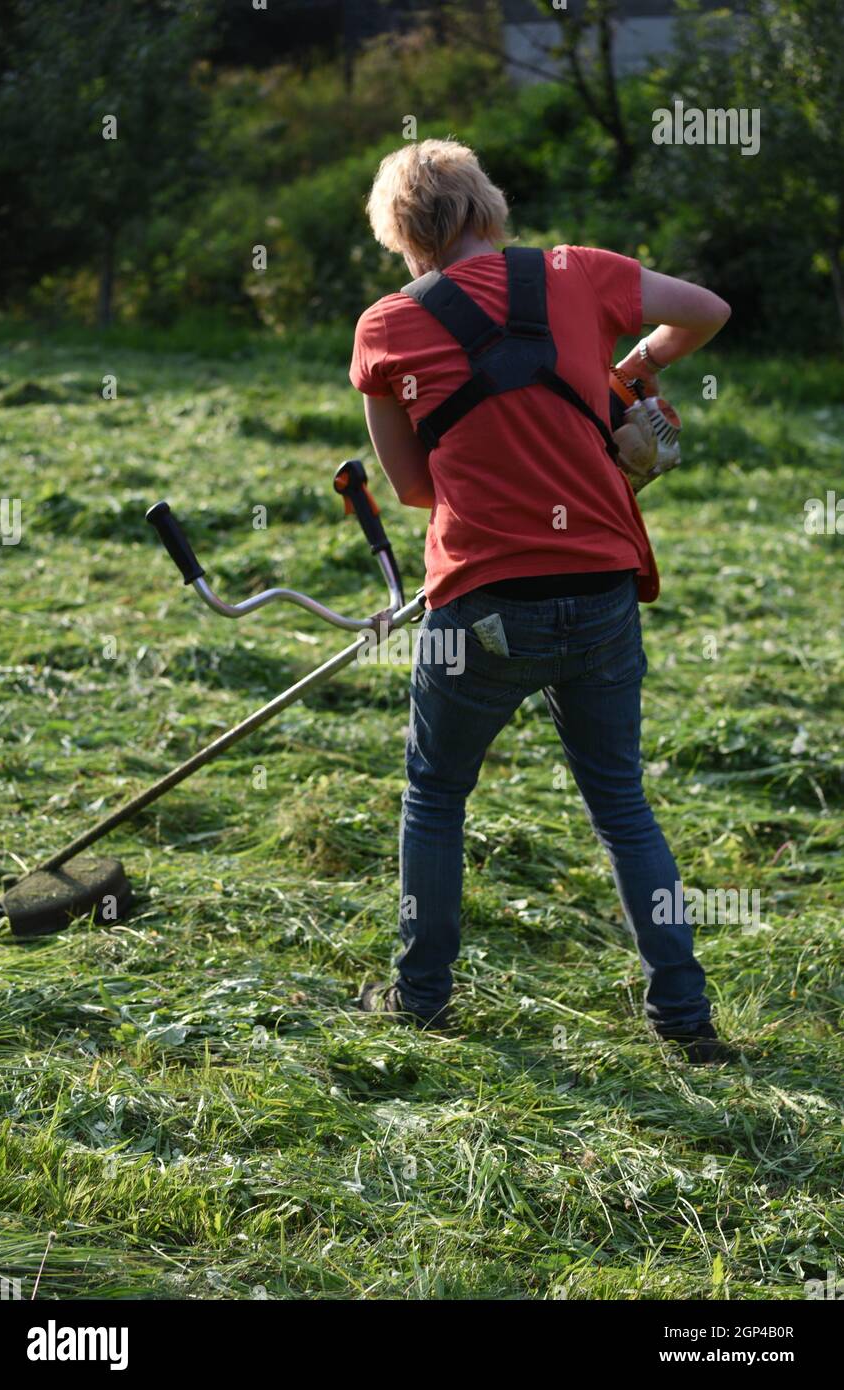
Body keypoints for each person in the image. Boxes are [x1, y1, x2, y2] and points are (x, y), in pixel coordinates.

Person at [349, 139, 732, 1063]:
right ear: (487, 206)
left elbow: (409, 489)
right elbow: (706, 312)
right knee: (621, 808)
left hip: (478, 601)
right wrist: (628, 376)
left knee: (436, 798)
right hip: (600, 590)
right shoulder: (576, 273)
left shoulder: (386, 328)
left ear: (402, 236)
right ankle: (684, 1020)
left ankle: (420, 998)